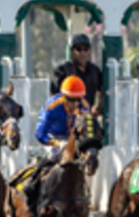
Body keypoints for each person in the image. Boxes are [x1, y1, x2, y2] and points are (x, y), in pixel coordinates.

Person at [25, 76, 93, 206]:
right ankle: (32, 182)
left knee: (86, 158)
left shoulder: (85, 106)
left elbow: (89, 129)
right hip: (53, 136)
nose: (75, 104)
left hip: (72, 137)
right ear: (64, 96)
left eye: (78, 100)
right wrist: (57, 143)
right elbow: (39, 134)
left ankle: (85, 193)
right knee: (54, 155)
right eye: (71, 100)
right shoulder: (51, 106)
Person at [52, 34, 104, 115]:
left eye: (85, 49)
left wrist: (98, 108)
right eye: (78, 49)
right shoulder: (63, 71)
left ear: (89, 51)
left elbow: (101, 92)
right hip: (67, 117)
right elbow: (53, 97)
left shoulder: (95, 71)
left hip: (87, 117)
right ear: (72, 51)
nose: (82, 53)